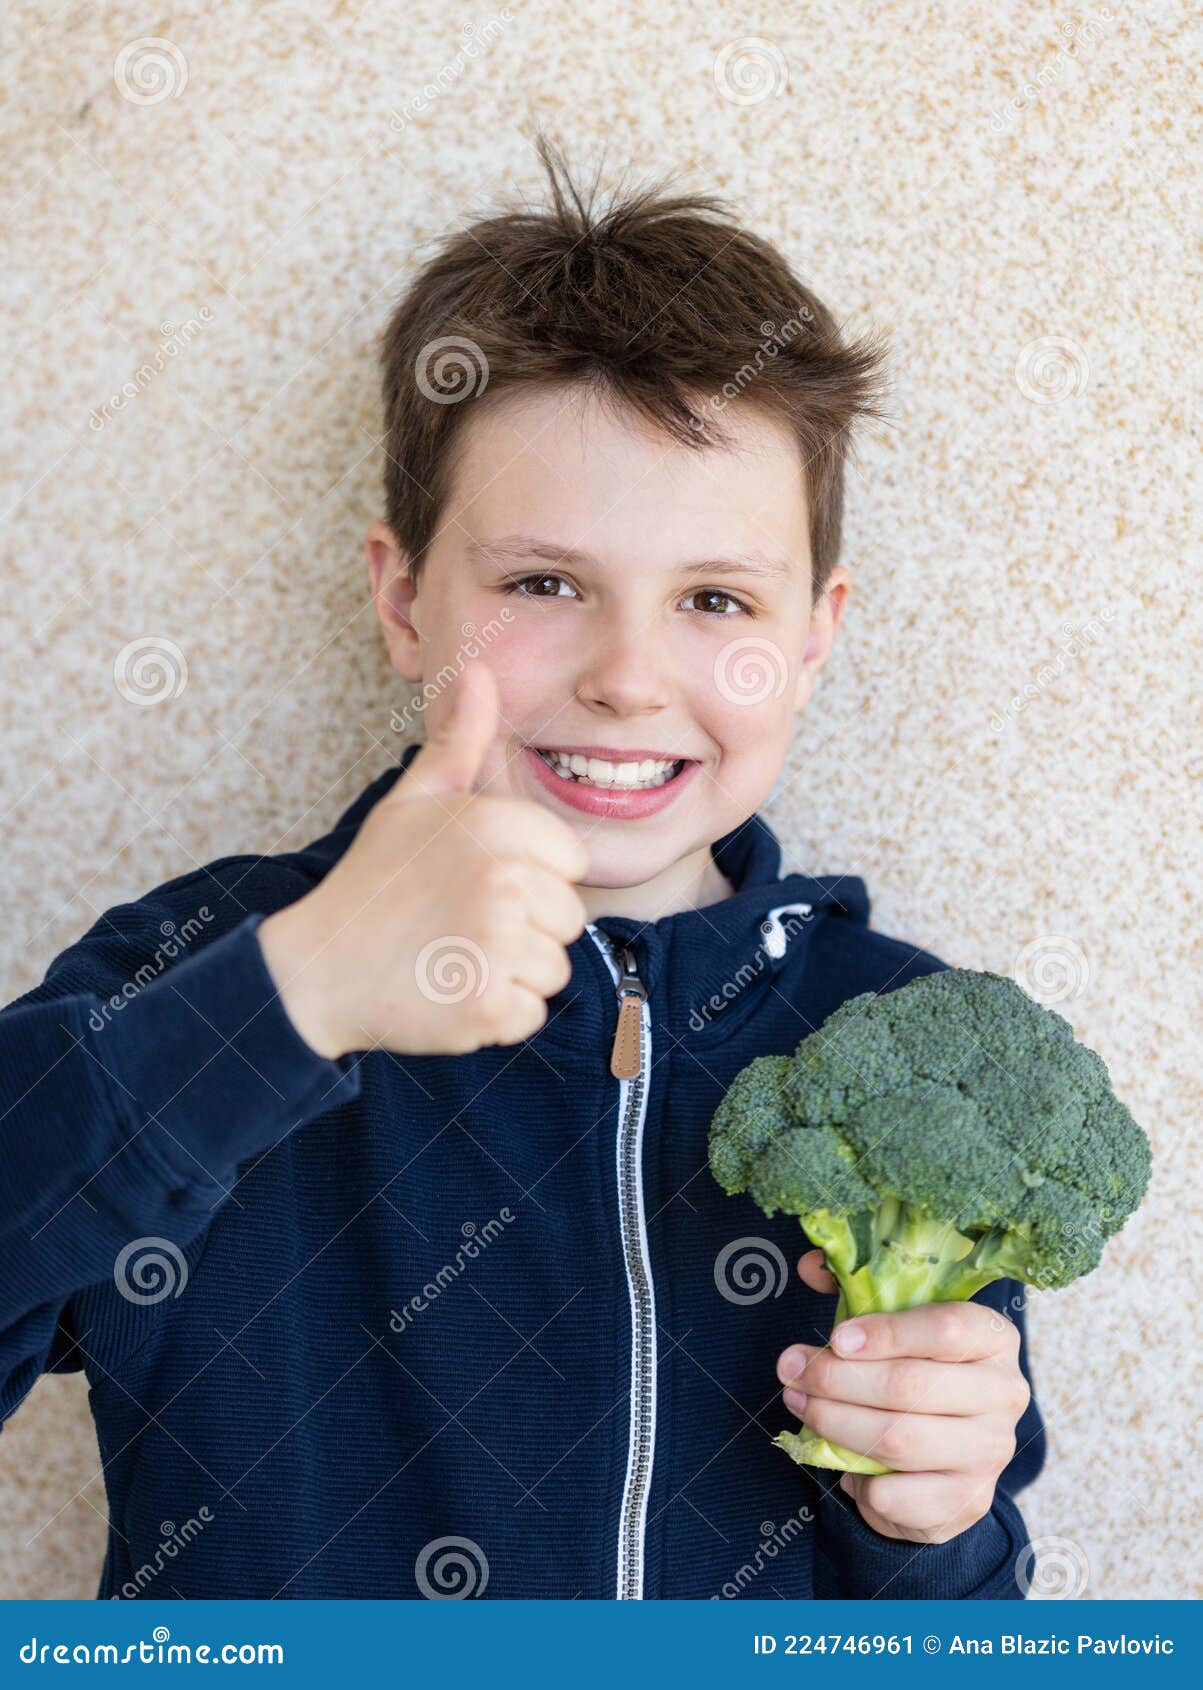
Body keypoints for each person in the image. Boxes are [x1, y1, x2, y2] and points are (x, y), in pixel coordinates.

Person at [0, 138, 1044, 1600]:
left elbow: (953, 1638)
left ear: (815, 633)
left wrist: (935, 1531)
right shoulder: (207, 968)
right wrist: (286, 999)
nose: (627, 678)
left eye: (715, 599)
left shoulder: (909, 1062)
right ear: (404, 599)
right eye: (545, 583)